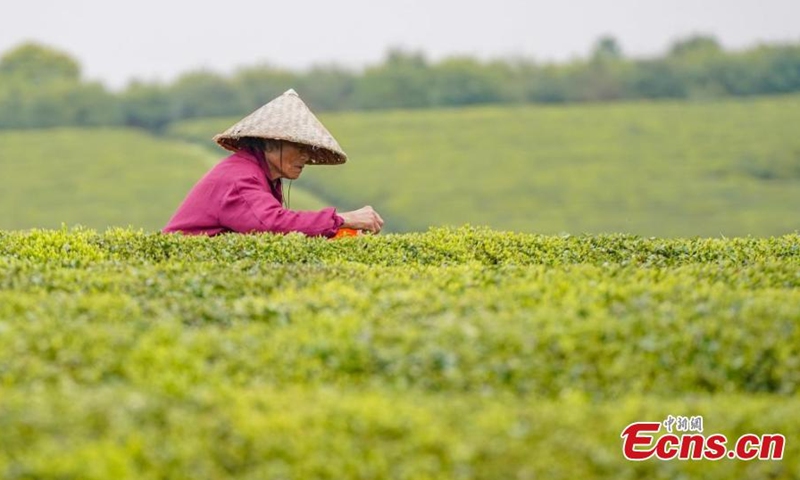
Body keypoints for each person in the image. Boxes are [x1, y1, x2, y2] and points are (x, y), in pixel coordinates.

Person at [163, 89, 383, 237]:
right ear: (270, 143)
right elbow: (272, 224)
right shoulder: (240, 178)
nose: (306, 156)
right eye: (298, 147)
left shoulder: (261, 176)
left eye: (308, 149)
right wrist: (344, 219)